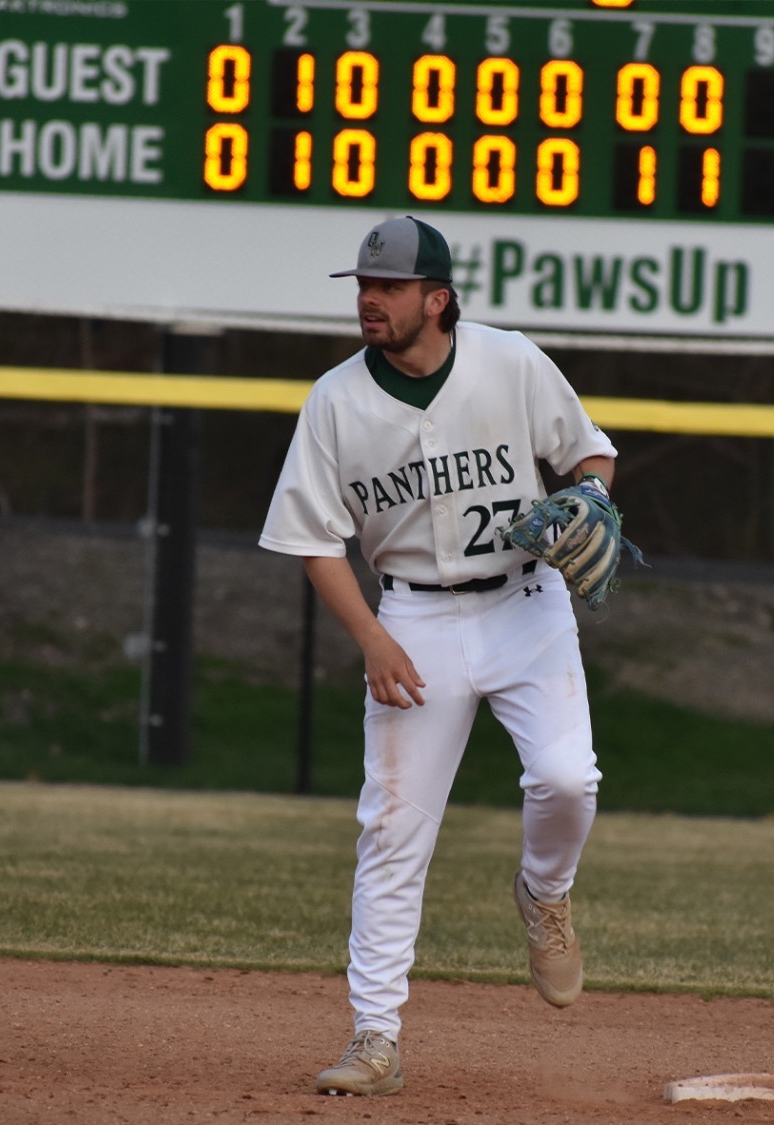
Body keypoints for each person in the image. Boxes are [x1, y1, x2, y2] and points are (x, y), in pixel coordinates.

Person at [260, 216, 618, 1096]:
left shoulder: (509, 361)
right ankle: (375, 1037)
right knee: (392, 832)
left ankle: (544, 894)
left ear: (438, 298)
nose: (368, 301)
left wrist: (590, 501)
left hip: (527, 605)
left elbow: (591, 453)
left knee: (569, 780)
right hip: (413, 618)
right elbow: (312, 538)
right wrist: (373, 637)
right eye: (362, 286)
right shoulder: (336, 399)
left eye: (386, 287)